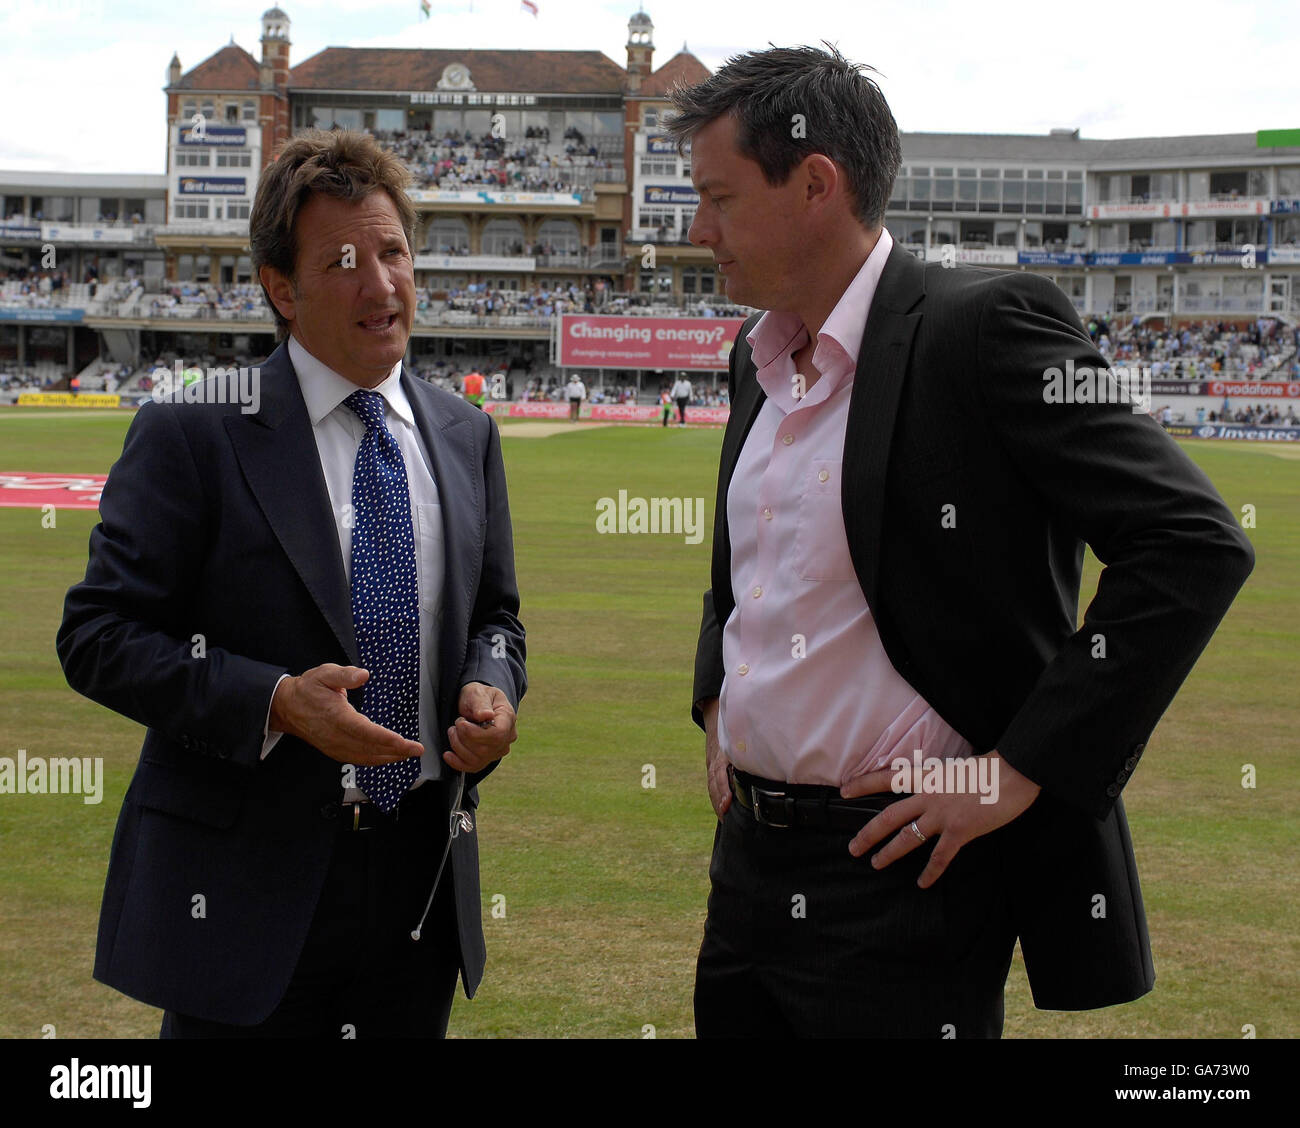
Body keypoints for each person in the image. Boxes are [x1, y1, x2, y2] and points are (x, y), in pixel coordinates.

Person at [670, 45, 1253, 1038]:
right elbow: (750, 560)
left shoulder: (983, 327)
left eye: (718, 199)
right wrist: (719, 695)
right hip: (746, 870)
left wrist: (1014, 769)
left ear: (815, 183)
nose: (696, 230)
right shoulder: (753, 353)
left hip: (897, 880)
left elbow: (1190, 541)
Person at [56, 129, 526, 1038]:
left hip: (416, 887)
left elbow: (497, 619)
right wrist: (271, 701)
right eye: (347, 261)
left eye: (394, 253)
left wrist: (491, 684)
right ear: (281, 287)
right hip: (244, 897)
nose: (383, 285)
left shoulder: (466, 435)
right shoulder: (193, 429)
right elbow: (98, 636)